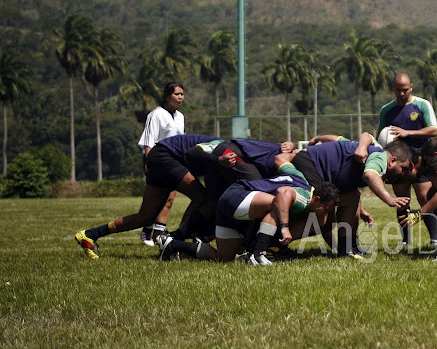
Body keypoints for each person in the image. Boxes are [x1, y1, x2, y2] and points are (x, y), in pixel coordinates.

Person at [159, 153, 339, 264]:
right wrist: (284, 228)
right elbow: (283, 193)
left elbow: (281, 160)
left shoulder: (298, 176)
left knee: (223, 258)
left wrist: (293, 152)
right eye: (325, 208)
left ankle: (171, 244)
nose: (324, 212)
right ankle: (258, 255)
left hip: (230, 204)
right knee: (277, 204)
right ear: (316, 199)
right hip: (239, 195)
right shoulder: (306, 197)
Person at [75, 134, 222, 259]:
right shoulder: (224, 148)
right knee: (201, 197)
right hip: (166, 156)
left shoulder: (229, 150)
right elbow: (193, 154)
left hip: (160, 156)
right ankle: (175, 243)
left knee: (145, 217)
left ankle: (90, 234)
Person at [291, 134, 413, 257]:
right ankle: (277, 241)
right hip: (310, 163)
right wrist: (390, 199)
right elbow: (370, 175)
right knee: (320, 215)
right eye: (403, 168)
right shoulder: (380, 158)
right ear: (392, 161)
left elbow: (341, 139)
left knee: (352, 197)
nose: (402, 173)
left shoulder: (369, 148)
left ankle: (345, 249)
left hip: (315, 166)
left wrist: (317, 138)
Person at [377, 73, 437, 247]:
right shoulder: (386, 110)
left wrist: (407, 133)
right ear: (393, 89)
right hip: (399, 164)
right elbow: (380, 136)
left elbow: (433, 130)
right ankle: (405, 240)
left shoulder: (422, 105)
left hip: (420, 162)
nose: (402, 93)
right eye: (398, 90)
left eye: (405, 90)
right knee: (402, 200)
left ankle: (434, 239)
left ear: (411, 87)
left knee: (424, 197)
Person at [137, 81, 186, 246]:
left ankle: (158, 235)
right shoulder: (156, 115)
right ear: (167, 96)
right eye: (176, 94)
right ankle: (146, 231)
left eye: (182, 94)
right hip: (158, 161)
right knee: (155, 199)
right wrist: (149, 163)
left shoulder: (180, 116)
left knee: (170, 198)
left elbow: (181, 141)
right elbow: (149, 141)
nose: (180, 97)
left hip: (174, 163)